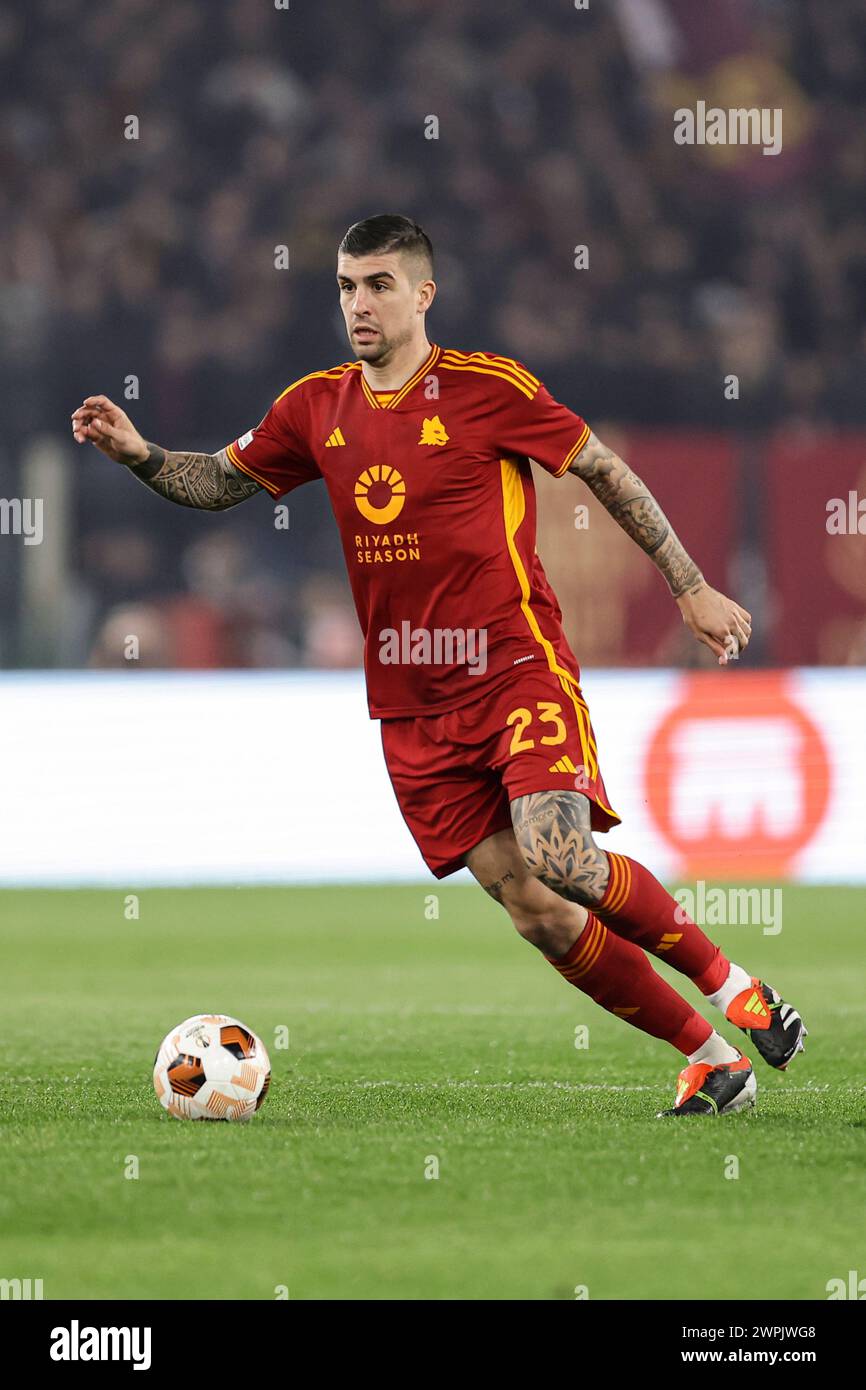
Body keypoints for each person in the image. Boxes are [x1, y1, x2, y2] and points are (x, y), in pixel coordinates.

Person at [71, 214, 806, 1117]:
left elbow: (606, 471)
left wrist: (690, 588)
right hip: (412, 708)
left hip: (514, 670)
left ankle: (739, 989)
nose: (358, 304)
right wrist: (141, 455)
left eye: (378, 284)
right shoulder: (316, 407)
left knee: (559, 851)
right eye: (345, 286)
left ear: (423, 294)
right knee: (536, 910)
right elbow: (221, 480)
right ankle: (711, 1059)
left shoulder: (485, 388)